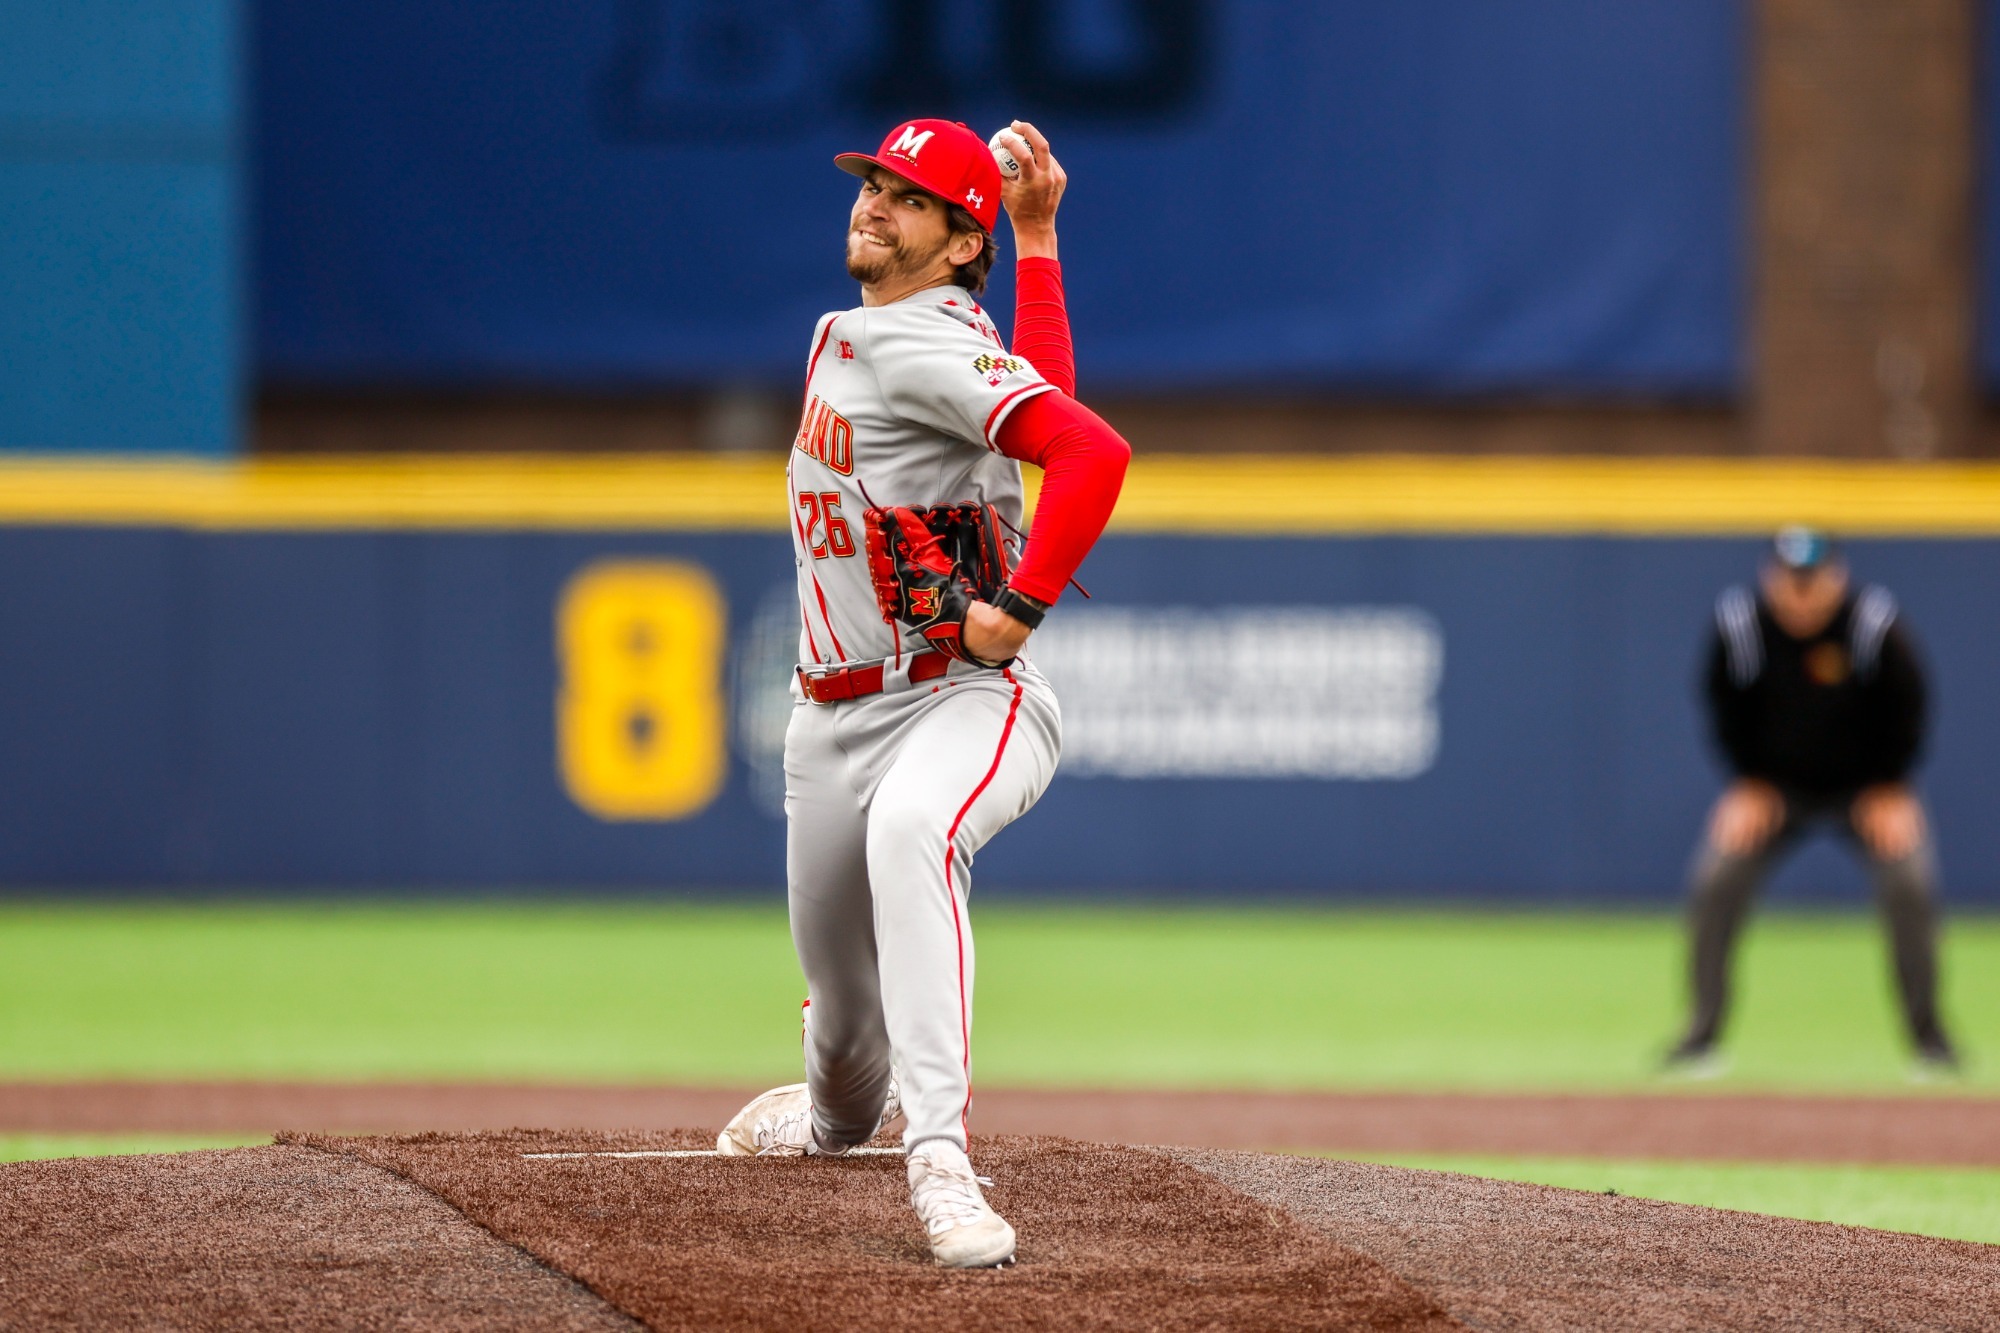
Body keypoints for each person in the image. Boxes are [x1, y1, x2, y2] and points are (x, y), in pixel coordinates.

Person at [713, 118, 1129, 1268]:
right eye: (872, 184)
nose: (873, 203)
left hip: (961, 697)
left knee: (915, 830)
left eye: (908, 196)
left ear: (955, 242)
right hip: (827, 717)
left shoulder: (920, 346)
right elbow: (1038, 397)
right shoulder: (866, 332)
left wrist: (1025, 602)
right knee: (844, 1065)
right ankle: (838, 1115)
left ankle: (940, 1158)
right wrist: (1037, 239)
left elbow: (1090, 451)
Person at [1665, 526, 1958, 1077]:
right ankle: (1700, 1034)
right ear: (1769, 577)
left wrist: (1892, 785)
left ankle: (1930, 1039)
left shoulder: (1873, 625)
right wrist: (1746, 780)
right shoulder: (1741, 625)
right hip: (1776, 789)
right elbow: (1723, 707)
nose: (1801, 595)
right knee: (1716, 876)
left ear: (1836, 578)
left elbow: (1910, 705)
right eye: (1790, 581)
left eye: (1812, 582)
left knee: (1909, 881)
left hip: (1867, 789)